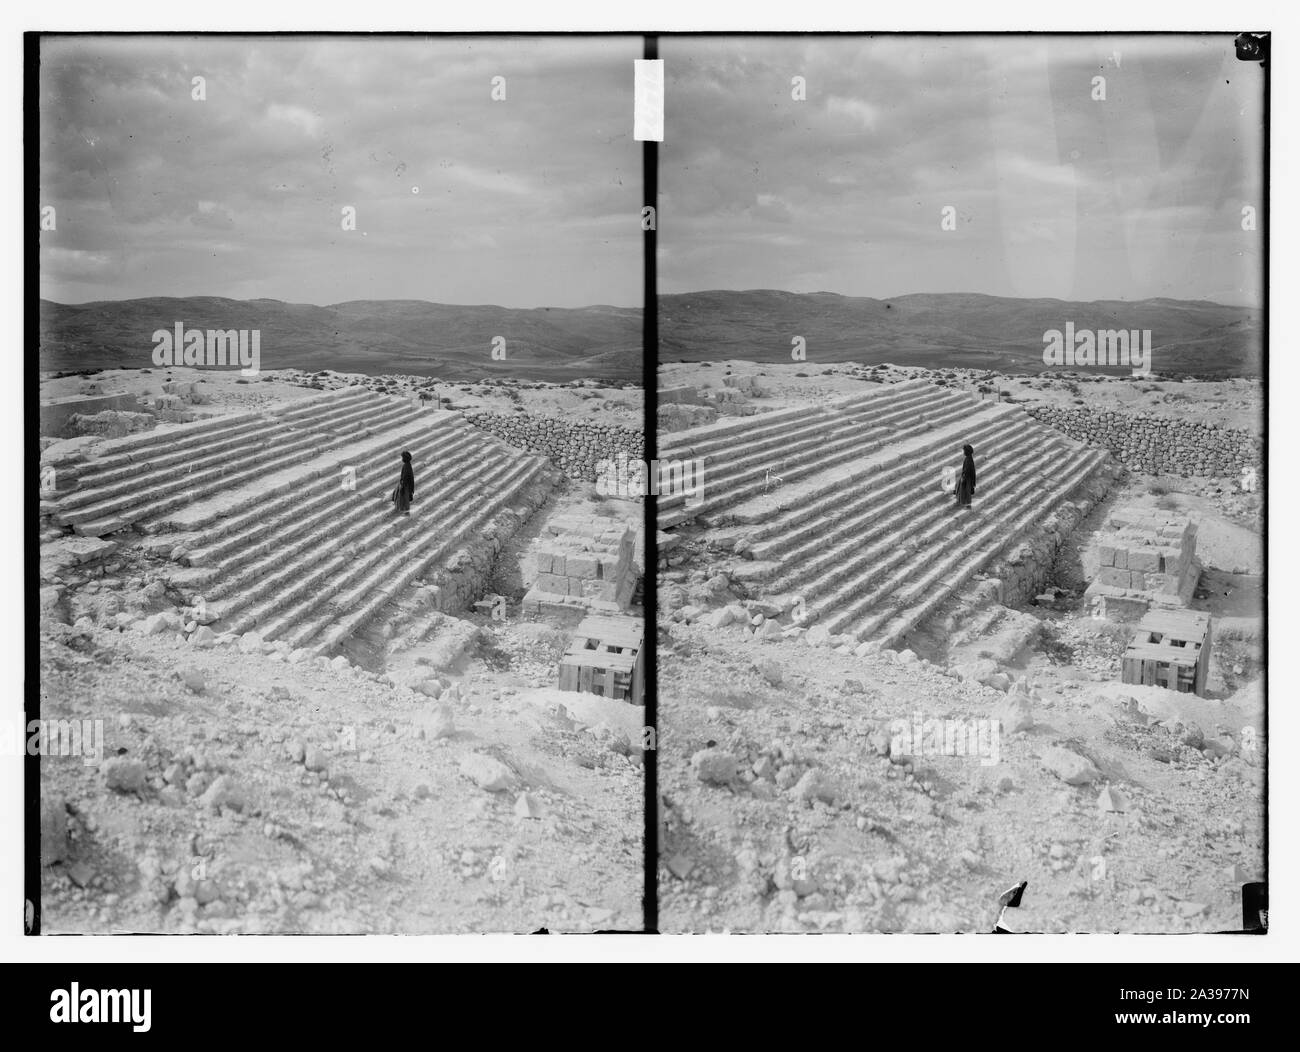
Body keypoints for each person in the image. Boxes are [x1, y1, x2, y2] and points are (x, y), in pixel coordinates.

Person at [392, 450, 415, 516]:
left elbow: (405, 477)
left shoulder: (406, 466)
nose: (401, 459)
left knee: (404, 498)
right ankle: (403, 510)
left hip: (405, 485)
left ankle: (406, 512)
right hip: (405, 484)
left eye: (402, 458)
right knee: (398, 495)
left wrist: (402, 486)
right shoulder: (408, 465)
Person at [955, 444, 976, 510]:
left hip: (967, 478)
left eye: (964, 450)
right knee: (960, 488)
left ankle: (968, 506)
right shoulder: (969, 458)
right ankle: (961, 501)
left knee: (967, 492)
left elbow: (967, 470)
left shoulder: (968, 460)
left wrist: (963, 478)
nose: (963, 452)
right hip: (967, 477)